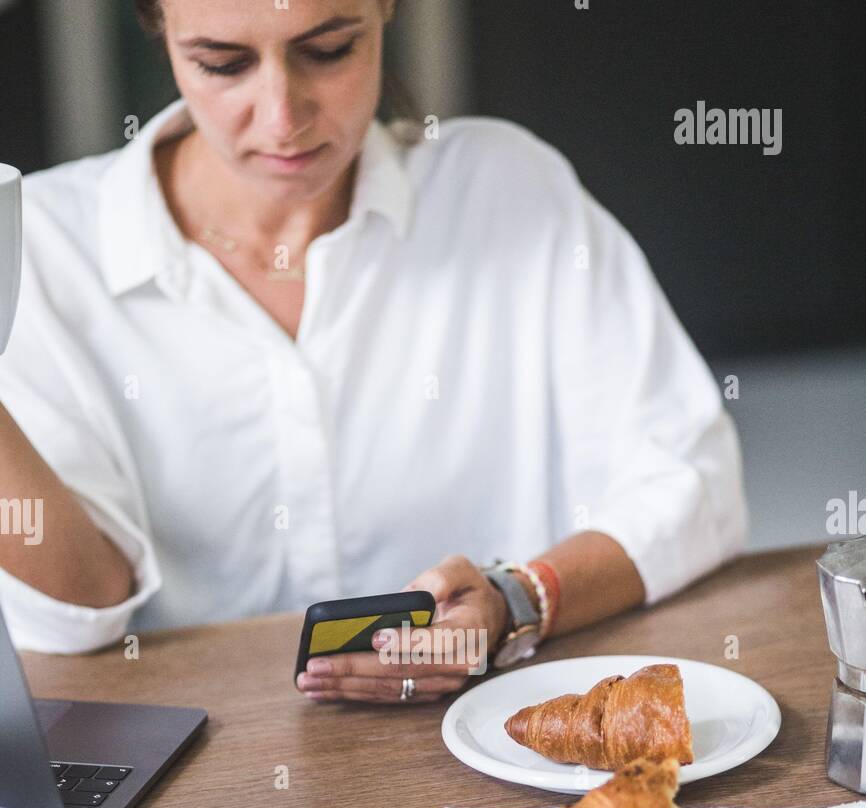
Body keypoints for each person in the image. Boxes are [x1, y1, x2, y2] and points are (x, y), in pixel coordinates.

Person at [0, 0, 747, 705]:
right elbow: (78, 614)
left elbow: (693, 481)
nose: (284, 118)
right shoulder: (41, 247)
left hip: (487, 748)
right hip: (197, 787)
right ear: (160, 29)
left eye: (328, 50)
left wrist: (516, 598)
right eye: (222, 64)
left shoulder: (507, 194)